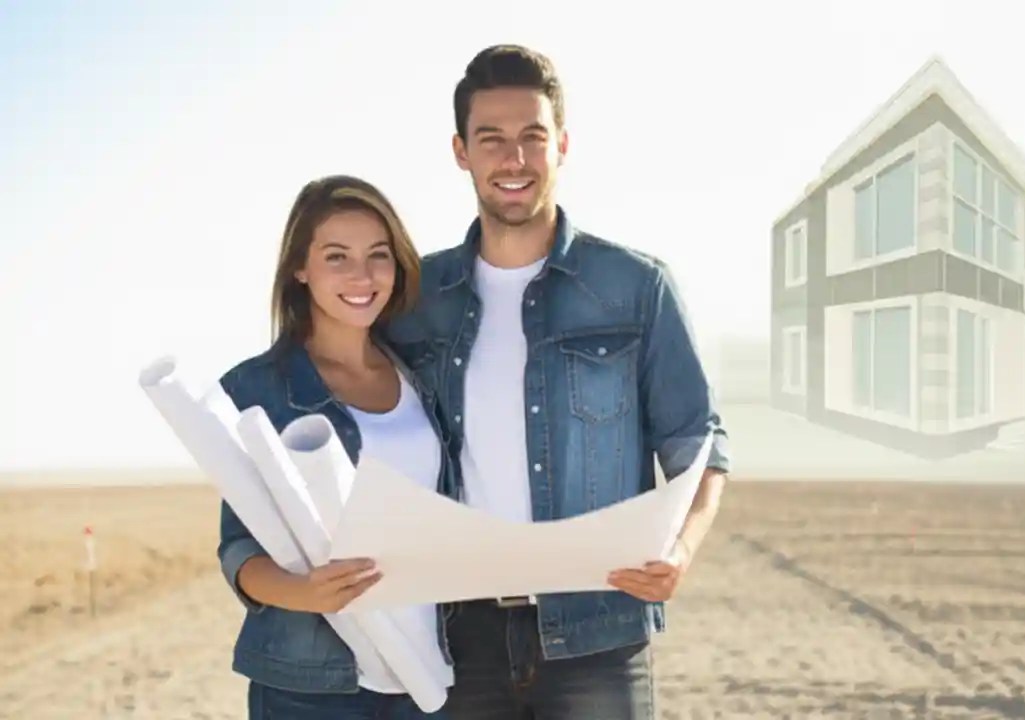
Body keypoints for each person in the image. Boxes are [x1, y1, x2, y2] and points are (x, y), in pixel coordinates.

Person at [384, 45, 732, 719]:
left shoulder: (636, 288)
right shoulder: (417, 299)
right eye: (492, 139)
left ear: (562, 145)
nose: (514, 159)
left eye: (533, 137)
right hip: (457, 638)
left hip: (599, 633)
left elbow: (699, 442)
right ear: (461, 152)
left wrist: (681, 549)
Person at [216, 175, 454, 719]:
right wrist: (304, 592)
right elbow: (238, 546)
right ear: (300, 268)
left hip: (427, 679)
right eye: (337, 257)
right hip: (311, 687)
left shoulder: (424, 378)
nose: (362, 276)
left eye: (378, 255)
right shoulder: (258, 388)